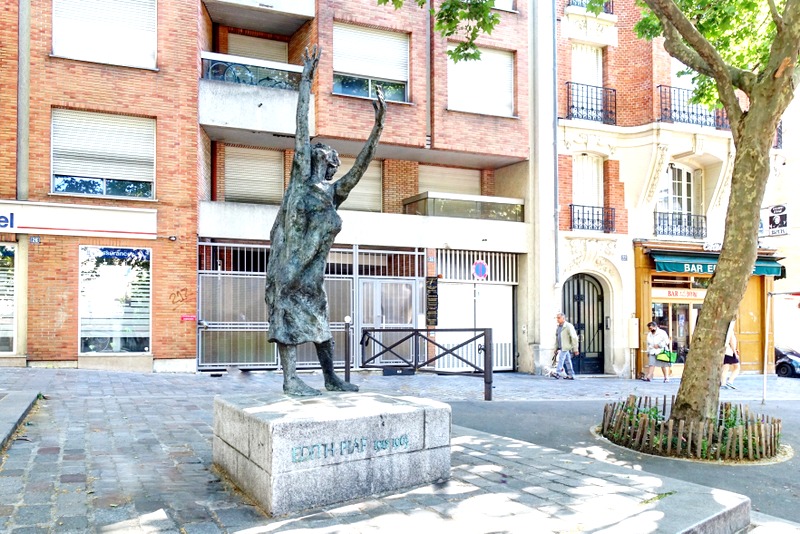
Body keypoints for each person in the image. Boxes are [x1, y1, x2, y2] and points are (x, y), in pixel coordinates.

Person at [265, 46, 386, 396]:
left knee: (321, 327)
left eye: (328, 150)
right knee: (287, 321)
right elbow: (301, 127)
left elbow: (361, 167)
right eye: (319, 147)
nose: (323, 148)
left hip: (312, 276)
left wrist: (378, 127)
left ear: (332, 163)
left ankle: (331, 378)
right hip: (289, 268)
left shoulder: (332, 193)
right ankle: (290, 380)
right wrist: (306, 79)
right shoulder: (300, 179)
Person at [552, 312, 579, 380]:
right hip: (561, 346)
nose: (557, 319)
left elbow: (574, 337)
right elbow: (557, 338)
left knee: (561, 358)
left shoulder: (568, 326)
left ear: (563, 318)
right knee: (567, 360)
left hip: (566, 346)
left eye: (559, 318)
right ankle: (571, 374)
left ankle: (558, 372)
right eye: (557, 318)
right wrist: (556, 348)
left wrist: (575, 349)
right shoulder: (558, 327)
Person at [721, 321, 740, 389]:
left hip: (724, 351)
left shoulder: (722, 331)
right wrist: (735, 352)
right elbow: (732, 343)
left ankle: (723, 383)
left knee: (725, 367)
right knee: (737, 367)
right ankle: (730, 381)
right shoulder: (730, 332)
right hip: (730, 352)